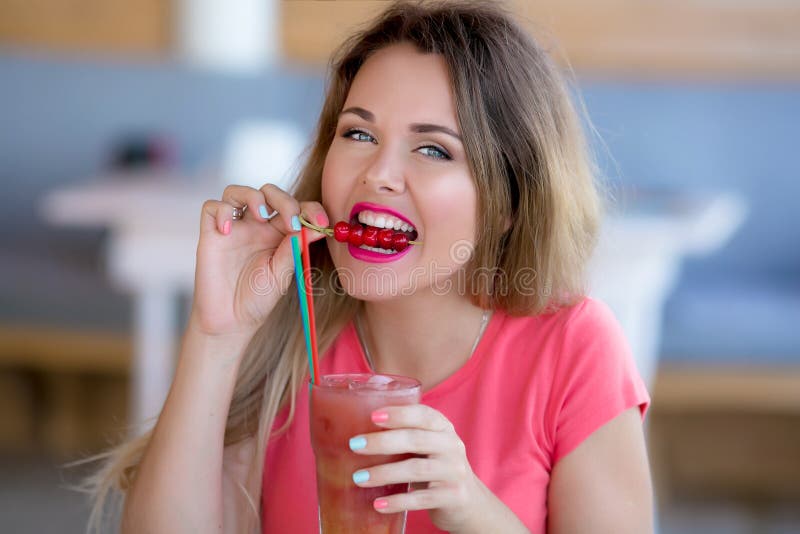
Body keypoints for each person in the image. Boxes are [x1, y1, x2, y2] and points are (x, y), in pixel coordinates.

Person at [85, 1, 653, 532]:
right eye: (358, 132)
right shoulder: (289, 329)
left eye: (433, 149)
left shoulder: (575, 347)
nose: (378, 172)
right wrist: (217, 336)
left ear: (509, 202)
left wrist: (474, 509)